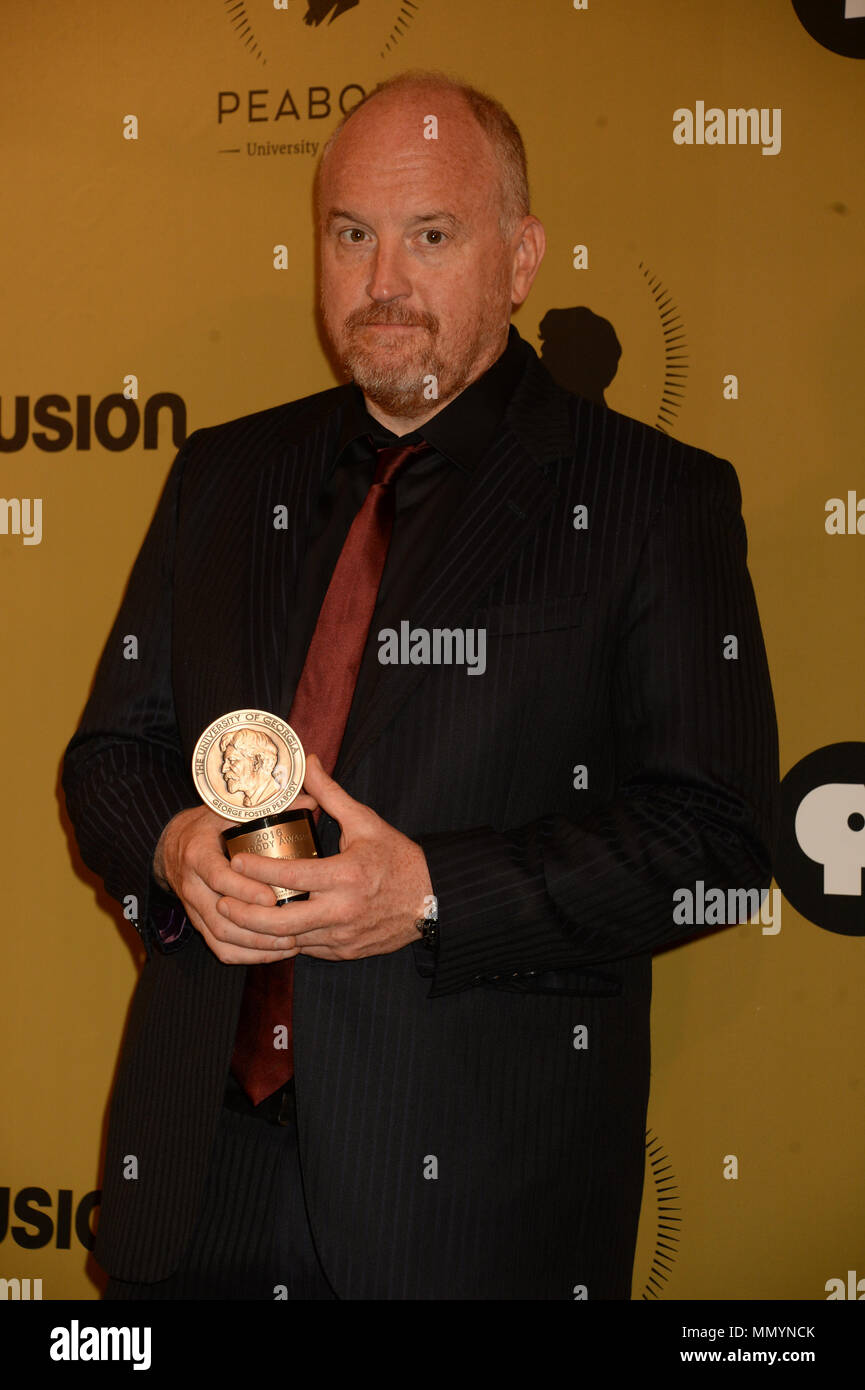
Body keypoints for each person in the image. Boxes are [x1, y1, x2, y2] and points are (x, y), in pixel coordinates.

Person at [62, 68, 779, 1300]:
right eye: (351, 236)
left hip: (475, 1220)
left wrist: (431, 893)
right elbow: (110, 759)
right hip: (194, 1188)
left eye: (430, 236)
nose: (380, 282)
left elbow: (716, 835)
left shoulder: (655, 499)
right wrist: (178, 845)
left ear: (520, 257)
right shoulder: (226, 477)